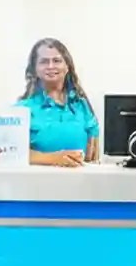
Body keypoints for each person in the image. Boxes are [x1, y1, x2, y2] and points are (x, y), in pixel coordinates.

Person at [17, 38, 99, 168]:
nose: (51, 66)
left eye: (56, 60)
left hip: (80, 184)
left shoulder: (82, 106)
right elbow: (13, 155)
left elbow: (93, 156)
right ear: (34, 69)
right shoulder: (21, 110)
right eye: (44, 62)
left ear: (67, 67)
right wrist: (55, 158)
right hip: (37, 185)